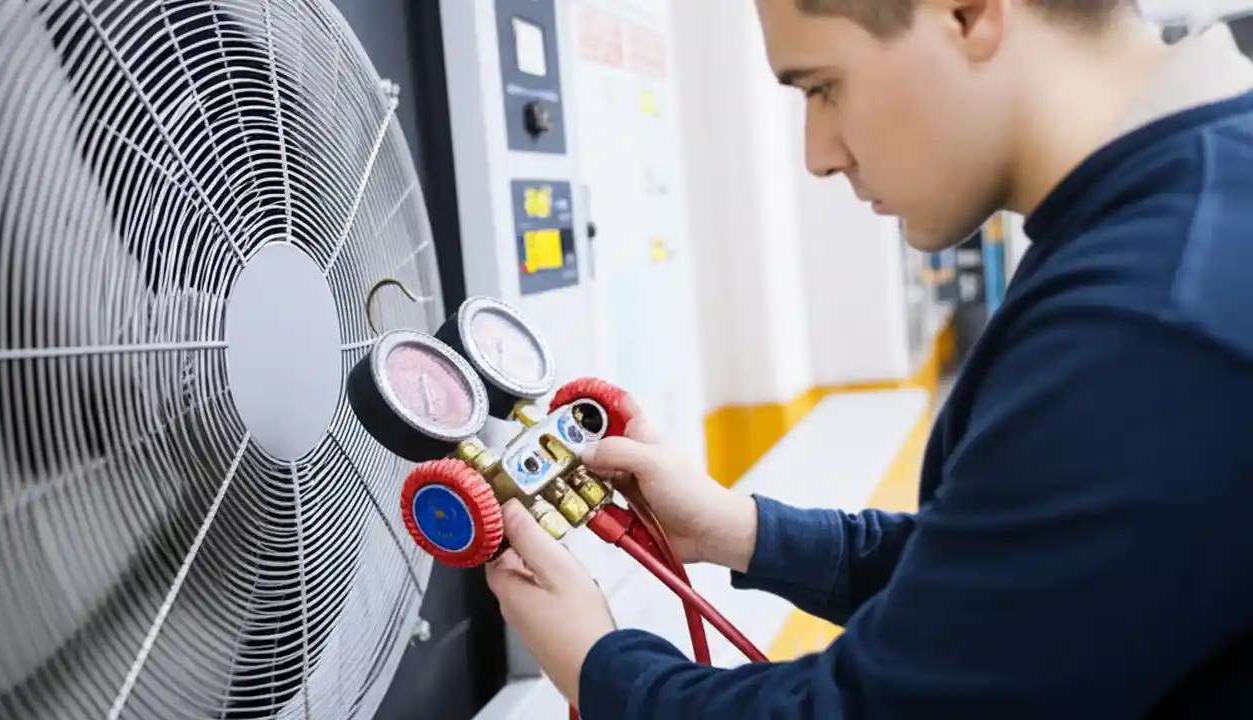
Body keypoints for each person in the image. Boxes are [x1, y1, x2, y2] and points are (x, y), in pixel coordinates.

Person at [485, 0, 1253, 717]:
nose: (817, 155)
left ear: (968, 12)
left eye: (823, 87)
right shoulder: (1183, 208)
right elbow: (1016, 591)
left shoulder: (1151, 317)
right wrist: (738, 530)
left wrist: (597, 663)